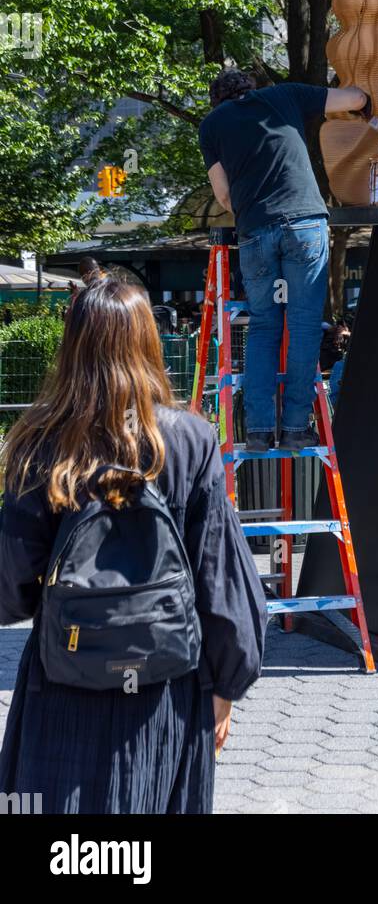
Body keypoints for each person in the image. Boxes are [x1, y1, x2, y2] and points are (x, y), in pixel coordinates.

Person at [0, 277, 267, 814]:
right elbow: (221, 577)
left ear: (72, 346)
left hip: (63, 685)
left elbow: (10, 588)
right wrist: (226, 686)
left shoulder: (39, 443)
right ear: (148, 342)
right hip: (167, 688)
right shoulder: (192, 440)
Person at [199, 67, 371, 452]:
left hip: (255, 231)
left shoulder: (211, 126)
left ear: (218, 100)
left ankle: (259, 429)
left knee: (262, 327)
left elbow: (224, 195)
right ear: (251, 88)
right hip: (305, 224)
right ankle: (295, 425)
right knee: (305, 326)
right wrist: (367, 103)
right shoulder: (284, 96)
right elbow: (354, 98)